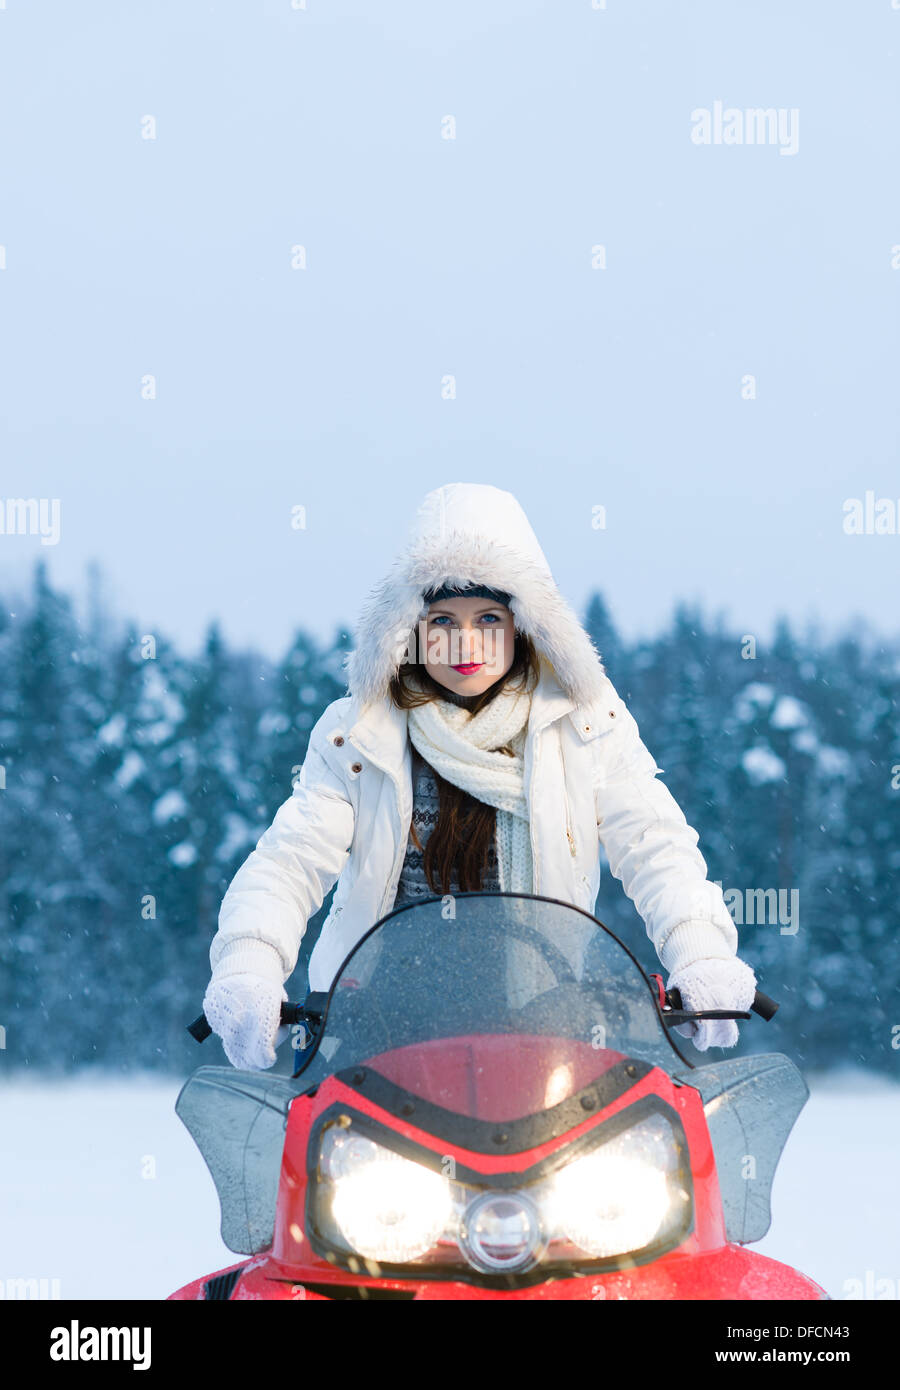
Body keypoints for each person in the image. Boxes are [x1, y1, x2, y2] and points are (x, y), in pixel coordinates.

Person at [202, 481, 757, 1069]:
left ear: (524, 625)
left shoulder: (585, 724)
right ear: (409, 631)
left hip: (550, 1037)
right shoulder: (359, 733)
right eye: (442, 619)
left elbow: (654, 844)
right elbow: (289, 862)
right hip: (375, 1040)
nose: (466, 642)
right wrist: (249, 964)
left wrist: (702, 956)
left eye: (489, 617)